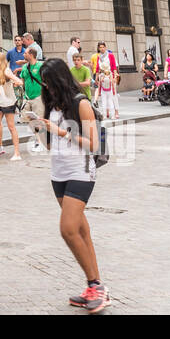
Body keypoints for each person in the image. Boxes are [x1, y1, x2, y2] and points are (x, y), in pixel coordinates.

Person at [28, 58, 107, 313]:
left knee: (68, 229)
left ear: (60, 80)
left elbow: (94, 144)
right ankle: (95, 287)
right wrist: (37, 128)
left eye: (49, 83)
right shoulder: (51, 105)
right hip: (58, 173)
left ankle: (96, 285)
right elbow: (50, 145)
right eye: (44, 83)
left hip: (81, 170)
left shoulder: (81, 103)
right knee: (81, 231)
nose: (46, 87)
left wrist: (61, 131)